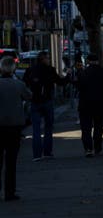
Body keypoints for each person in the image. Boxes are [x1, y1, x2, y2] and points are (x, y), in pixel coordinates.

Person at [23, 50, 70, 161]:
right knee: (48, 128)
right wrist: (68, 75)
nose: (49, 60)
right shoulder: (50, 70)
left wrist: (30, 93)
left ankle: (37, 155)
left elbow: (25, 83)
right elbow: (60, 82)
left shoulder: (30, 70)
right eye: (48, 58)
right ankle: (47, 152)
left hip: (35, 101)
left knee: (36, 129)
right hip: (47, 101)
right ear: (43, 59)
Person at [0, 55, 32, 201]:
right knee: (11, 161)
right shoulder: (19, 84)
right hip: (14, 126)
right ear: (13, 69)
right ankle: (9, 192)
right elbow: (29, 96)